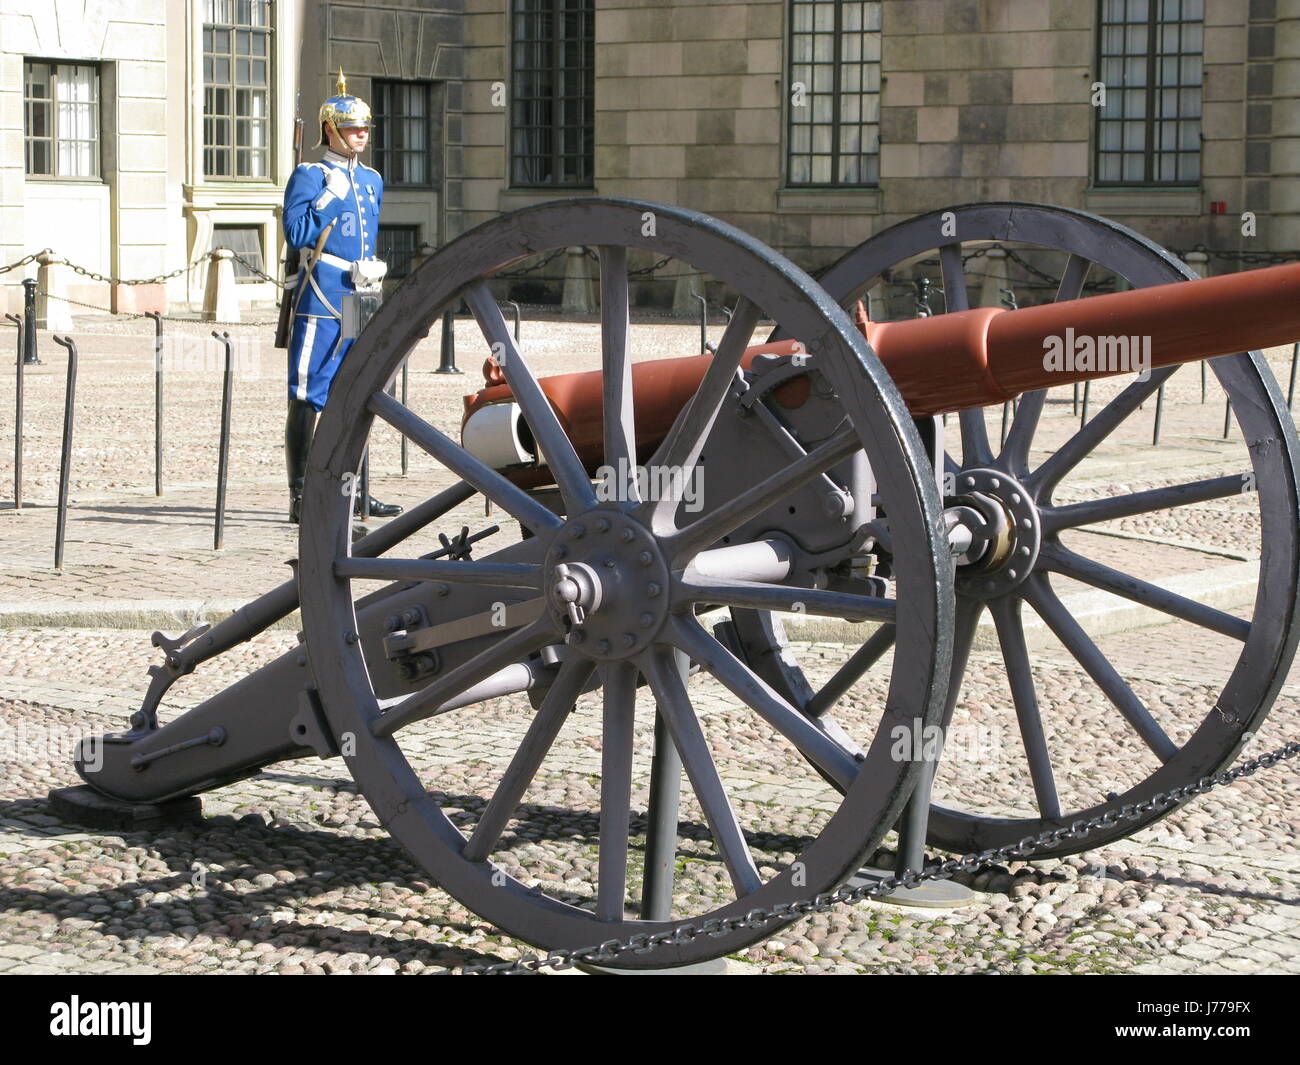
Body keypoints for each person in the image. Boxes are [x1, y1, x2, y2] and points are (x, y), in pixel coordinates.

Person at [281, 71, 401, 524]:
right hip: (323, 291)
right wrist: (330, 194)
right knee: (309, 392)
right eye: (354, 129)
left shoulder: (371, 179)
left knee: (361, 390)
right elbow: (297, 233)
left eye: (365, 129)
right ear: (331, 130)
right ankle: (301, 494)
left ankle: (358, 492)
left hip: (363, 292)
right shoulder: (312, 175)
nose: (363, 136)